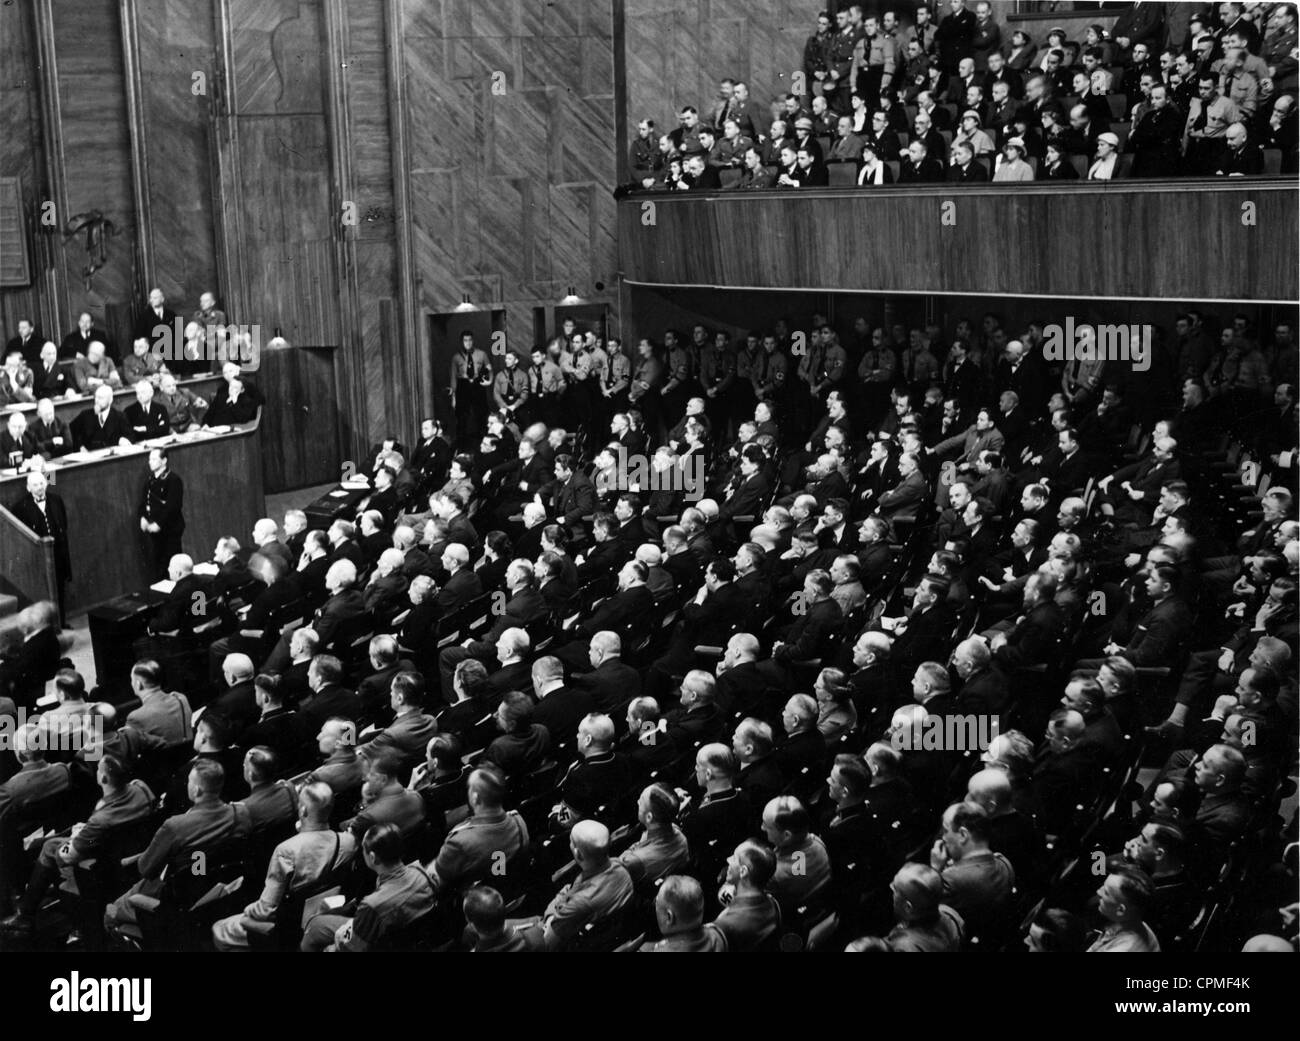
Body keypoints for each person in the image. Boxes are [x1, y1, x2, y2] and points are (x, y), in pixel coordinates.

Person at [300, 823, 435, 951]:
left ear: (372, 857)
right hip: (412, 941)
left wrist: (331, 949)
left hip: (379, 944)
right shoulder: (421, 872)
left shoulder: (372, 905)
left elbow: (353, 947)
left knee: (314, 926)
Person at [10, 472, 71, 624]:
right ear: (29, 488)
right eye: (35, 485)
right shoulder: (20, 508)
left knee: (60, 589)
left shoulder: (56, 500)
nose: (39, 488)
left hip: (58, 554)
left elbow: (64, 524)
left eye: (42, 484)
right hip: (37, 558)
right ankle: (48, 626)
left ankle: (61, 623)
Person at [139, 447, 185, 581]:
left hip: (170, 531)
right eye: (149, 459)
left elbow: (173, 507)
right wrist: (142, 517)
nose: (150, 462)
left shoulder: (173, 480)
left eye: (154, 459)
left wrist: (159, 523)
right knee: (159, 568)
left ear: (164, 461)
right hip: (154, 533)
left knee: (173, 566)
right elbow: (143, 503)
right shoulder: (149, 481)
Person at [70, 384, 132, 450]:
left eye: (101, 398)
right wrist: (80, 446)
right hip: (91, 456)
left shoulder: (120, 416)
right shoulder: (85, 415)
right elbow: (72, 432)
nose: (97, 400)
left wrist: (123, 440)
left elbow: (131, 436)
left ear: (110, 400)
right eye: (96, 397)